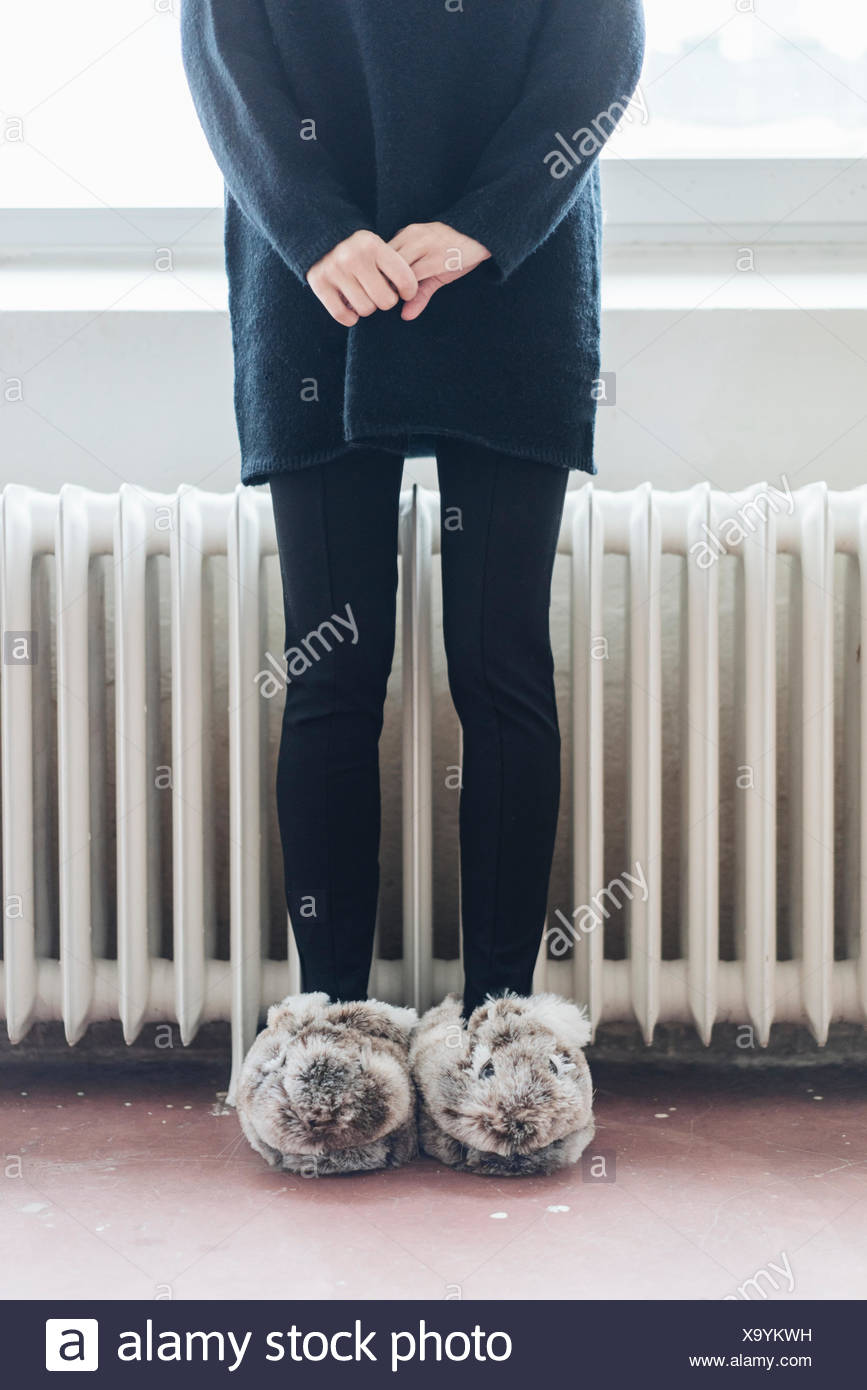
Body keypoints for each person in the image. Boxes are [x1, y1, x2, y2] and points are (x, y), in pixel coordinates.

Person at [181, 0, 645, 1175]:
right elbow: (227, 52)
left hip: (513, 280)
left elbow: (598, 51)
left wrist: (488, 225)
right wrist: (313, 228)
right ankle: (327, 1032)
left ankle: (508, 1034)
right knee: (332, 673)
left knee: (501, 662)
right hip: (316, 287)